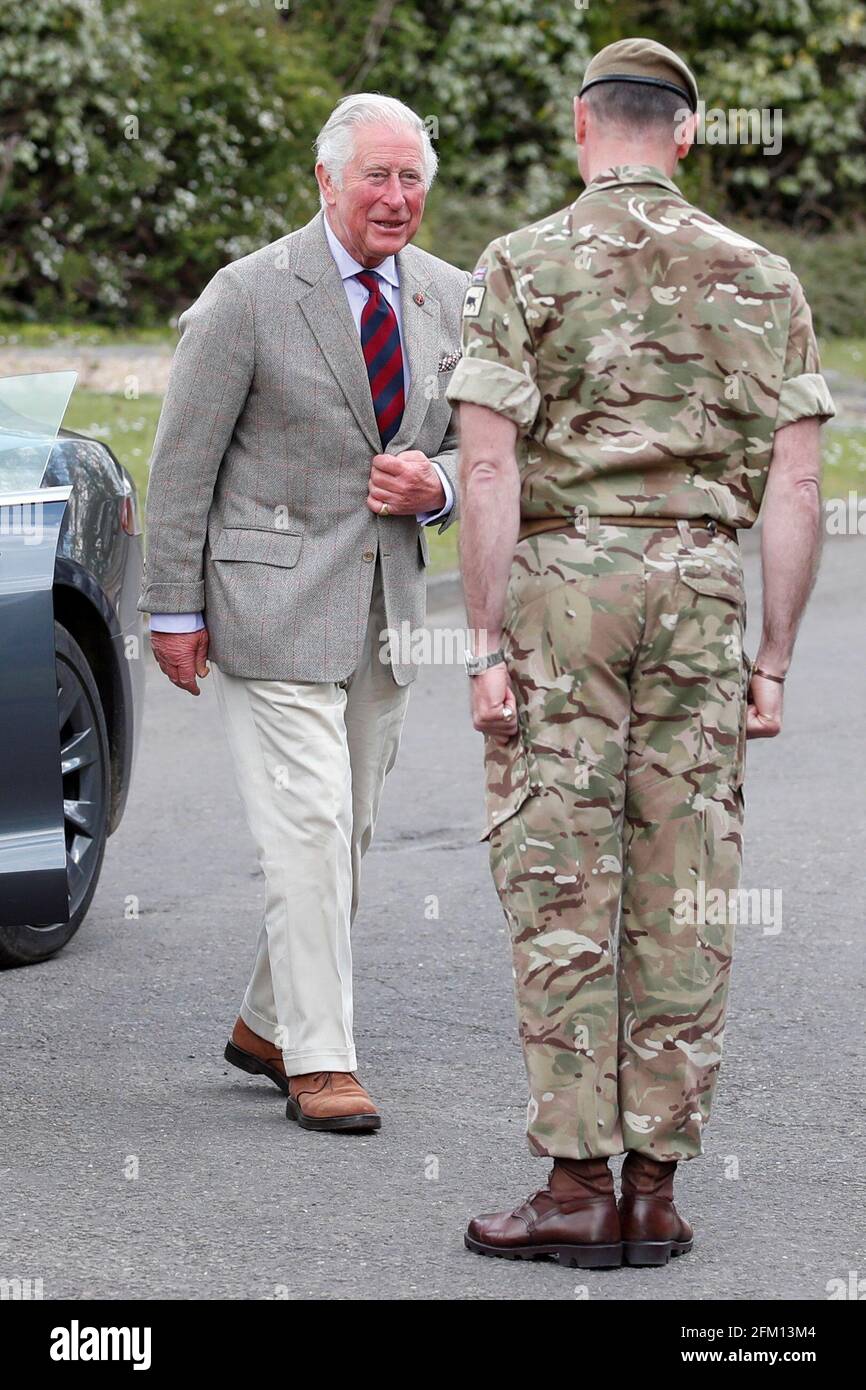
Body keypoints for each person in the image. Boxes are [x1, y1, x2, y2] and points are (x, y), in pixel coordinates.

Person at [447, 38, 835, 1266]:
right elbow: (797, 483)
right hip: (703, 588)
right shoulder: (763, 276)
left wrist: (483, 644)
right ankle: (655, 1187)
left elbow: (490, 464)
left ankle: (573, 1183)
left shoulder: (519, 261)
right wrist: (771, 658)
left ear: (579, 127)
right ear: (681, 135)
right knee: (687, 876)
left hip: (567, 584)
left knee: (562, 878)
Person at [138, 94, 468, 1133]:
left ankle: (266, 1019)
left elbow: (490, 447)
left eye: (410, 178)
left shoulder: (452, 299)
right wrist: (170, 608)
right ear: (325, 181)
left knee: (352, 829)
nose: (395, 196)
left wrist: (440, 486)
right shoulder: (246, 295)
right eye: (375, 175)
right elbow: (182, 461)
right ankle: (320, 1061)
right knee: (311, 828)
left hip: (386, 608)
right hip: (265, 600)